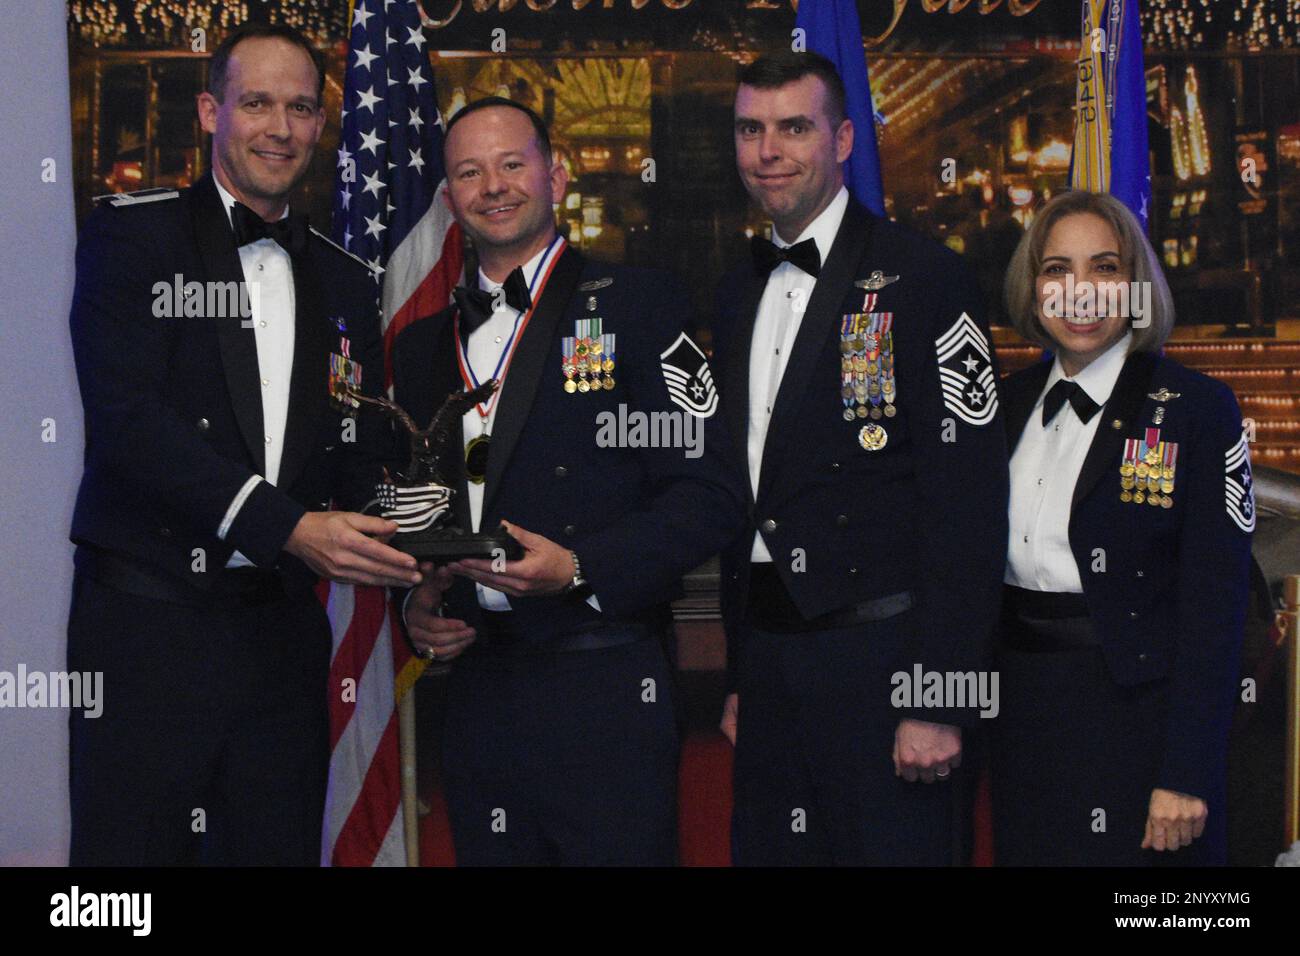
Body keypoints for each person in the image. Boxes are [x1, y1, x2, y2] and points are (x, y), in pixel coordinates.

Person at [66, 23, 421, 866]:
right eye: (257, 102)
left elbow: (354, 445)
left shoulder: (344, 279)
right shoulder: (131, 238)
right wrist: (287, 526)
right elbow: (127, 424)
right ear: (209, 111)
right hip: (146, 628)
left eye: (301, 107)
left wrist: (430, 529)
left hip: (279, 639)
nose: (281, 127)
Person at [393, 97, 745, 866]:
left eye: (512, 164)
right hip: (478, 688)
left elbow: (709, 493)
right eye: (470, 172)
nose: (494, 186)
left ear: (555, 174)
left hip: (607, 682)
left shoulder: (643, 308)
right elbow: (410, 505)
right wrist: (416, 601)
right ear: (448, 198)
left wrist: (582, 569)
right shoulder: (419, 348)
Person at [711, 52, 1009, 865]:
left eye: (793, 127)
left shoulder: (927, 278)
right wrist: (740, 675)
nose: (769, 150)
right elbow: (748, 497)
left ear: (842, 139)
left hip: (888, 666)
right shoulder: (734, 293)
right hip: (770, 662)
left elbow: (970, 496)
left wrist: (941, 694)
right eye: (751, 129)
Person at [992, 189, 1253, 866]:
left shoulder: (1197, 411)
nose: (1080, 291)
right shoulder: (1002, 404)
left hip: (1141, 727)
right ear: (1033, 286)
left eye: (1104, 268)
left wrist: (1186, 772)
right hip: (1022, 722)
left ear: (1136, 286)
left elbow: (1215, 610)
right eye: (1057, 269)